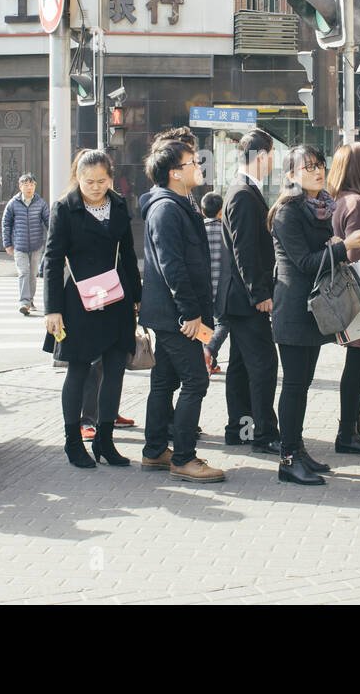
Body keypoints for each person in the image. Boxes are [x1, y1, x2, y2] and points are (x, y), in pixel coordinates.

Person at [269, 145, 360, 486]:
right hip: (293, 308)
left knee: (304, 384)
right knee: (294, 385)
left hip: (314, 310)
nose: (316, 171)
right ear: (291, 176)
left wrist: (336, 245)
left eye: (319, 165)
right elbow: (306, 263)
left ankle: (298, 450)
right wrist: (343, 245)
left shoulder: (323, 206)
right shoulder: (287, 212)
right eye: (307, 167)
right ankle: (288, 458)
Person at [42, 150, 143, 469]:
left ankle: (105, 440)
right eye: (89, 182)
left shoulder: (117, 204)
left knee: (115, 370)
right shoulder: (64, 207)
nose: (96, 187)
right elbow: (53, 259)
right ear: (77, 178)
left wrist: (137, 296)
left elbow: (127, 251)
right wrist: (52, 308)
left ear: (111, 179)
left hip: (116, 297)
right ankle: (73, 442)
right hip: (79, 300)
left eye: (102, 181)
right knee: (78, 369)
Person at [139, 140, 223, 482]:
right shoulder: (166, 209)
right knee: (195, 381)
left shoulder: (178, 202)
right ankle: (183, 458)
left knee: (165, 380)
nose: (198, 165)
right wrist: (190, 314)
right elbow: (172, 266)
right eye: (192, 161)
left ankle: (155, 450)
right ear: (175, 172)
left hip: (173, 313)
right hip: (177, 316)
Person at [218, 128, 282, 452]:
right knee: (263, 365)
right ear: (261, 156)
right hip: (247, 300)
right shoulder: (244, 193)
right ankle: (264, 433)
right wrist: (260, 294)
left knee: (242, 366)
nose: (273, 162)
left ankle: (239, 429)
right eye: (271, 155)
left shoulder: (242, 190)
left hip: (238, 299)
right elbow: (245, 250)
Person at [328, 141, 360, 453]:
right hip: (358, 293)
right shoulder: (358, 203)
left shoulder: (338, 199)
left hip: (344, 292)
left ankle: (353, 427)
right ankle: (347, 432)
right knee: (358, 361)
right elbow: (359, 254)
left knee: (357, 360)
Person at [3, 173, 50, 314]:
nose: (29, 188)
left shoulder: (41, 203)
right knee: (23, 272)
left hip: (36, 245)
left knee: (33, 274)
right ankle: (24, 302)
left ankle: (30, 299)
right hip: (19, 245)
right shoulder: (13, 203)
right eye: (26, 185)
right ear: (20, 186)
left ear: (35, 186)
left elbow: (48, 222)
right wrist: (7, 244)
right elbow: (6, 224)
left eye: (32, 185)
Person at [200, 192, 230, 373]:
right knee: (224, 323)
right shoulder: (226, 231)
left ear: (203, 212)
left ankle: (209, 362)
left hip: (203, 287)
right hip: (222, 287)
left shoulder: (198, 231)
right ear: (221, 211)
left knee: (206, 325)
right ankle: (209, 350)